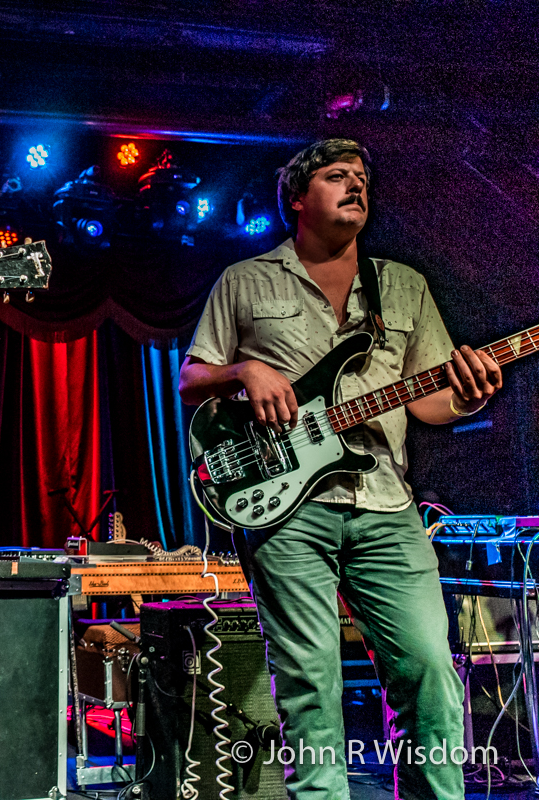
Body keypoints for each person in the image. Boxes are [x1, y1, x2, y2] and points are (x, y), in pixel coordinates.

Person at [178, 138, 502, 800]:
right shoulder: (244, 281)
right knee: (309, 680)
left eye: (361, 177)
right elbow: (191, 377)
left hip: (387, 503)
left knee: (431, 669)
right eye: (335, 176)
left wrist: (466, 395)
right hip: (287, 508)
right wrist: (244, 369)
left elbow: (429, 398)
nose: (355, 185)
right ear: (298, 197)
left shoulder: (402, 287)